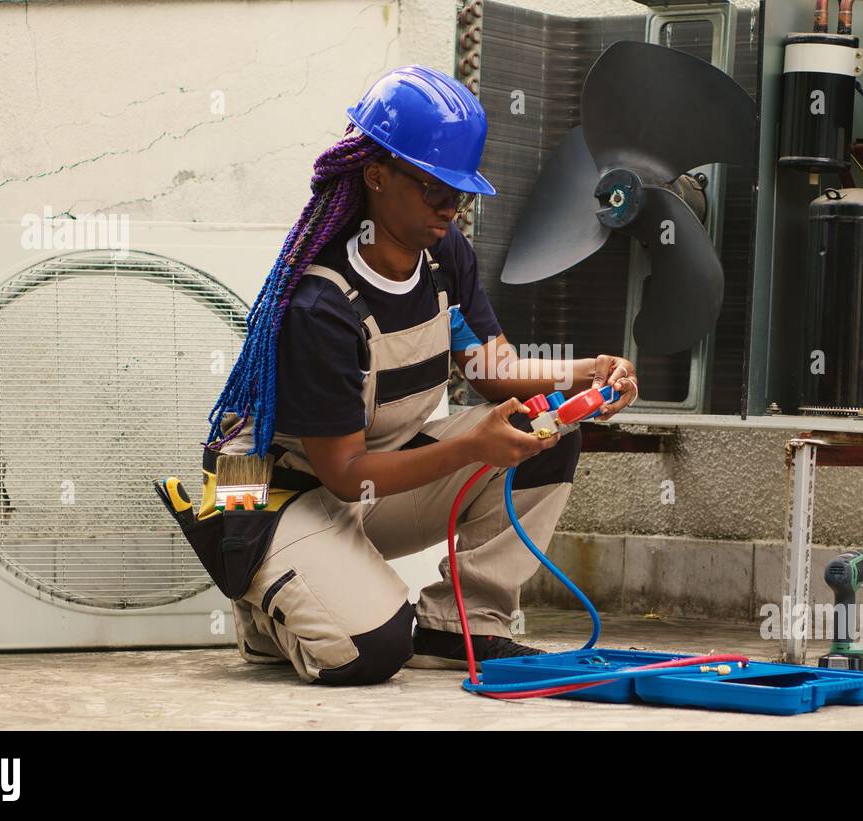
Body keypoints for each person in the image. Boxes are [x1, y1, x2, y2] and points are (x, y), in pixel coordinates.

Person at [203, 65, 638, 686]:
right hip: (262, 491)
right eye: (435, 187)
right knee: (372, 655)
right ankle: (265, 613)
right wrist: (471, 445)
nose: (450, 206)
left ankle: (464, 624)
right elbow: (346, 477)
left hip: (367, 475)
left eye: (460, 192)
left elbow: (493, 370)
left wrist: (584, 371)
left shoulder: (443, 254)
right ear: (376, 176)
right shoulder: (321, 305)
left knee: (546, 433)